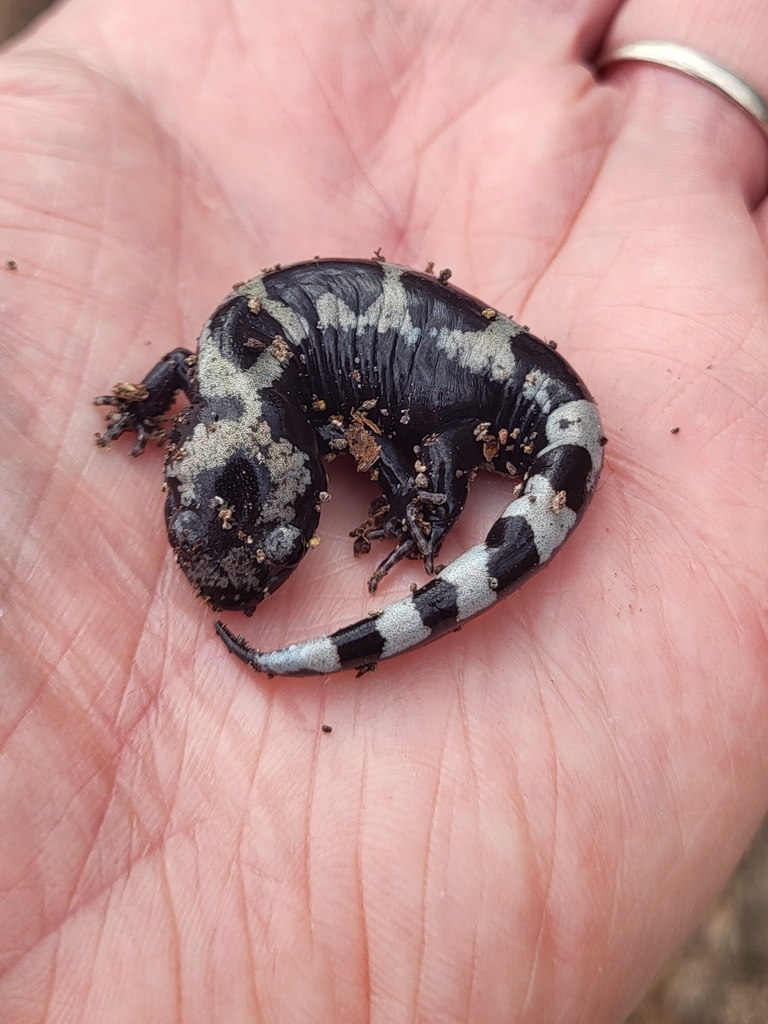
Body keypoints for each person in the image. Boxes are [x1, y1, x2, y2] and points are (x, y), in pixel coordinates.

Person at [1, 0, 767, 1020]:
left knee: (430, 445)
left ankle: (432, 528)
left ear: (310, 472)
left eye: (267, 547)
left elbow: (245, 389)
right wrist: (153, 402)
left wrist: (423, 508)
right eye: (265, 546)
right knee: (411, 430)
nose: (253, 569)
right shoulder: (226, 371)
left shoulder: (241, 378)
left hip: (497, 394)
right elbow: (186, 370)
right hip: (460, 362)